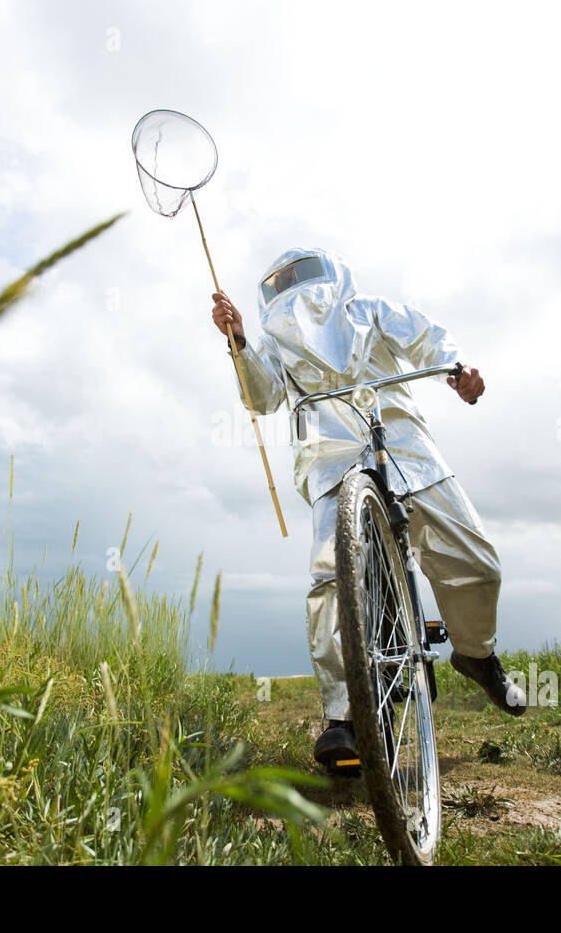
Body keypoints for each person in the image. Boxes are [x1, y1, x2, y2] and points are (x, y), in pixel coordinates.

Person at [210, 247, 527, 768]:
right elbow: (262, 398)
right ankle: (345, 717)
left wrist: (457, 370)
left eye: (302, 274)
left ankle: (476, 654)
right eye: (280, 282)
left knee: (473, 558)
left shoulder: (370, 311)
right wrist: (239, 342)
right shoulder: (272, 342)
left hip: (401, 439)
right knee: (330, 577)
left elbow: (426, 337)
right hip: (329, 454)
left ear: (330, 274)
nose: (295, 289)